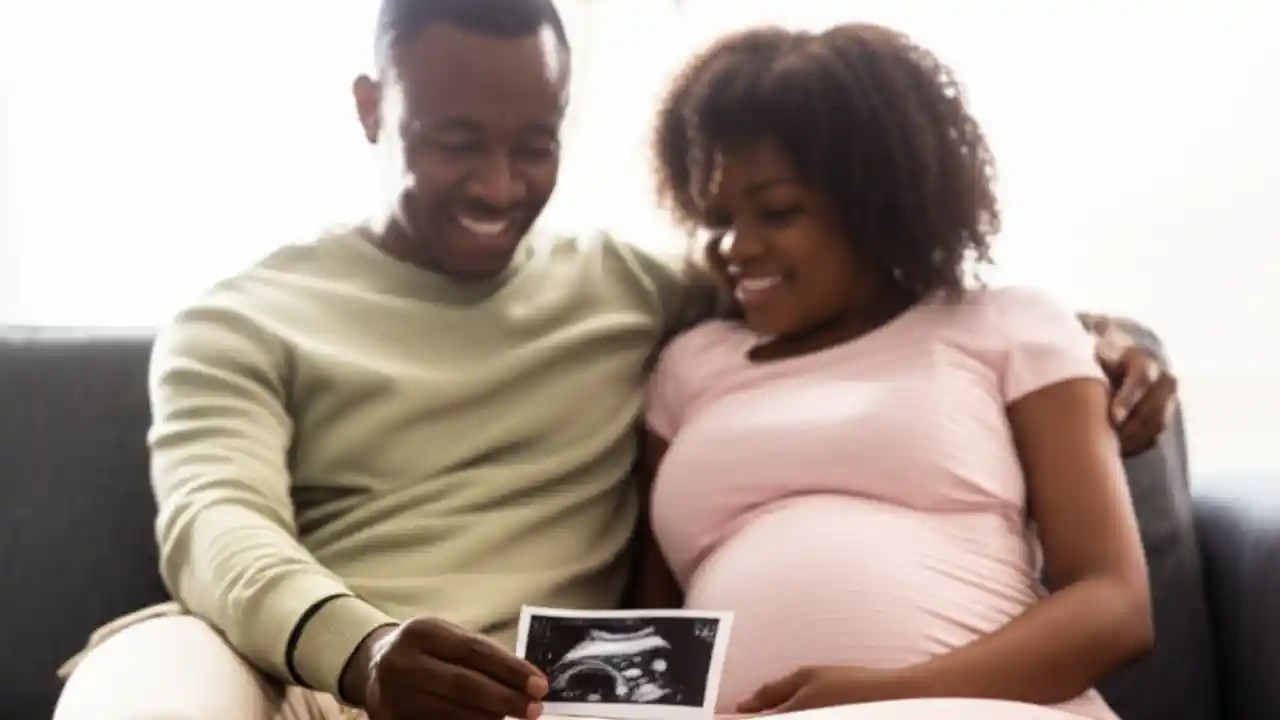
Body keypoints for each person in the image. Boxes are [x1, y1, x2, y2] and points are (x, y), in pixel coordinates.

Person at [52, 2, 1175, 719]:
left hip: (526, 698)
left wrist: (1095, 338)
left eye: (531, 145)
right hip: (303, 670)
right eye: (455, 144)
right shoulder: (242, 317)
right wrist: (365, 650)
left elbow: (858, 285)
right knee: (147, 685)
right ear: (368, 108)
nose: (499, 186)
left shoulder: (640, 297)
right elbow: (214, 526)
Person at [633, 22, 1155, 720]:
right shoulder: (688, 367)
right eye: (718, 217)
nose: (736, 247)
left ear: (879, 201)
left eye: (777, 212)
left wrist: (889, 691)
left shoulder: (1010, 327)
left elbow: (1114, 606)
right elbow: (652, 640)